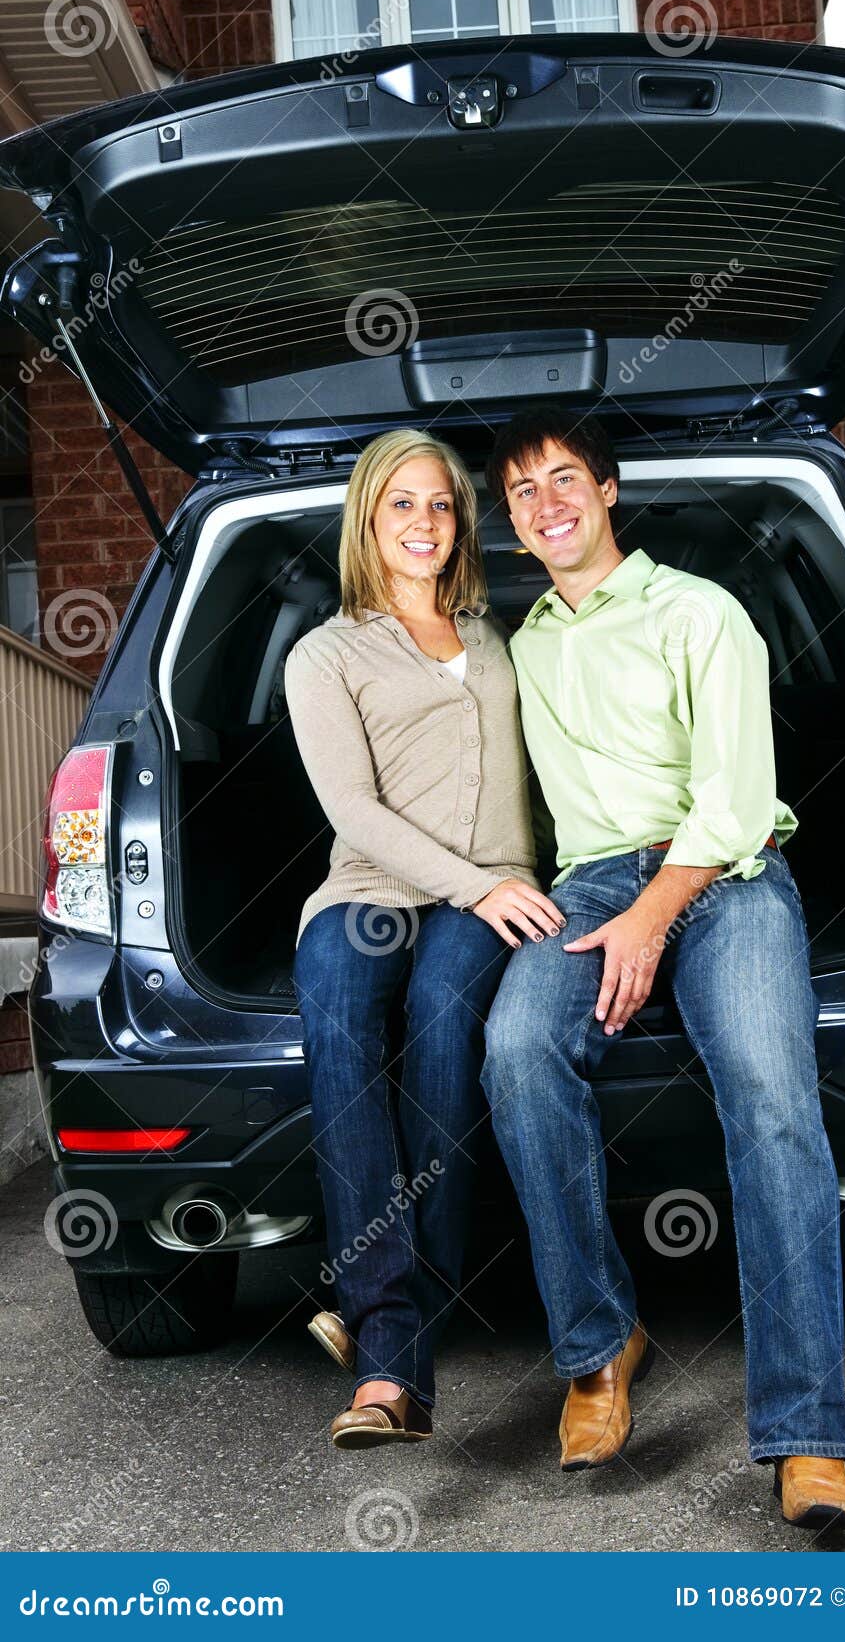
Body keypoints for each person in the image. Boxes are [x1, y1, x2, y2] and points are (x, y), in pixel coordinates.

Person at [478, 405, 845, 1531]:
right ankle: (600, 1347)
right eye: (520, 492)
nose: (545, 503)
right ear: (509, 524)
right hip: (590, 883)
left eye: (564, 480)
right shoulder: (527, 641)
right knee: (513, 1050)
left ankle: (808, 1440)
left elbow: (738, 799)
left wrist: (652, 918)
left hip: (728, 872)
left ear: (607, 492)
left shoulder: (703, 611)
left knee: (769, 1093)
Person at [285, 427, 564, 1452]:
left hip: (488, 897)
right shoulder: (325, 653)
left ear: (460, 522)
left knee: (446, 1028)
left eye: (440, 503)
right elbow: (351, 807)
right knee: (344, 1026)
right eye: (400, 503)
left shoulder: (500, 635)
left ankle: (383, 1342)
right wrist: (477, 882)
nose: (423, 522)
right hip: (369, 889)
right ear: (368, 516)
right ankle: (393, 1346)